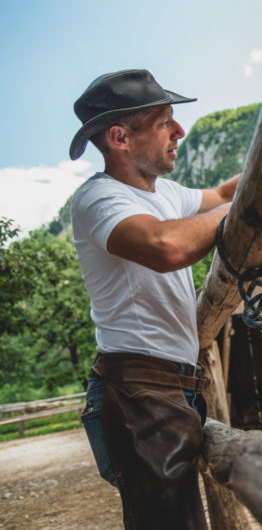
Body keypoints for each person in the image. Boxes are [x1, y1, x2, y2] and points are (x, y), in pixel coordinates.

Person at [69, 69, 239, 529]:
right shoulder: (98, 199)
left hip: (170, 386)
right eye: (165, 121)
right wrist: (239, 214)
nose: (180, 131)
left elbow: (224, 193)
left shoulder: (164, 192)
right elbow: (168, 248)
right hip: (140, 390)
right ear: (121, 137)